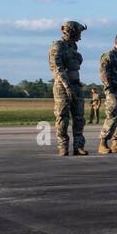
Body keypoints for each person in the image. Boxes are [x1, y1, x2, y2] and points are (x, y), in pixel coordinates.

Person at [49, 21, 88, 156]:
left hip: (76, 84)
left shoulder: (73, 46)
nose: (80, 36)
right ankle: (63, 146)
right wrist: (67, 87)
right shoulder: (57, 46)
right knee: (63, 117)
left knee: (79, 118)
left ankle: (78, 146)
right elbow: (58, 69)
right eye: (79, 32)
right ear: (71, 32)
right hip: (62, 87)